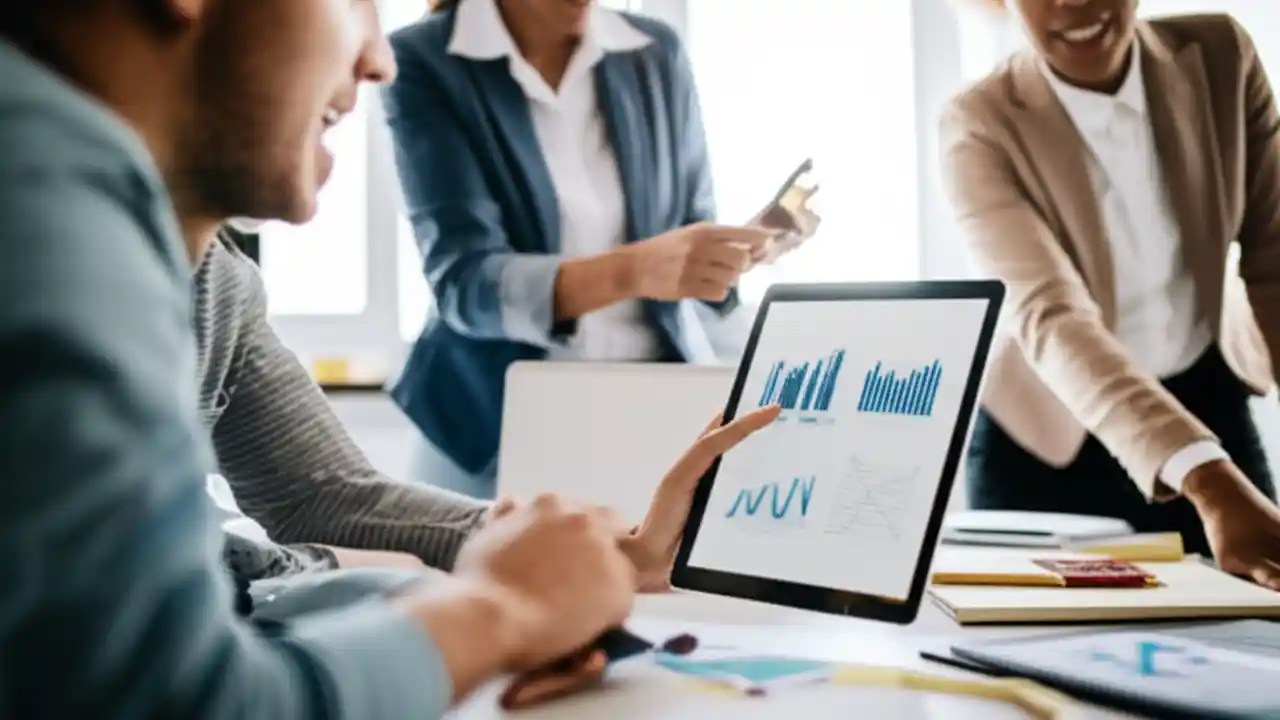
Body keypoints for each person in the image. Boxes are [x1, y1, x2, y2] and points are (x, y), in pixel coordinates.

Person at [0, 0, 778, 716]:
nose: (379, 59)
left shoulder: (214, 276)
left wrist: (609, 556)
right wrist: (498, 612)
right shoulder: (38, 204)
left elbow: (321, 493)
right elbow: (169, 701)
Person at [383, 0, 816, 494]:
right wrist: (638, 269)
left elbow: (690, 224)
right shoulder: (422, 59)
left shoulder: (656, 52)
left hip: (650, 401)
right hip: (490, 419)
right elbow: (466, 286)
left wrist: (737, 249)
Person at [940, 0, 1280, 588]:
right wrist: (1207, 479)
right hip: (1052, 437)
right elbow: (1053, 318)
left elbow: (1274, 259)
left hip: (1206, 400)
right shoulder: (979, 122)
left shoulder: (1221, 56)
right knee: (1057, 664)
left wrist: (1213, 474)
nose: (1072, 2)